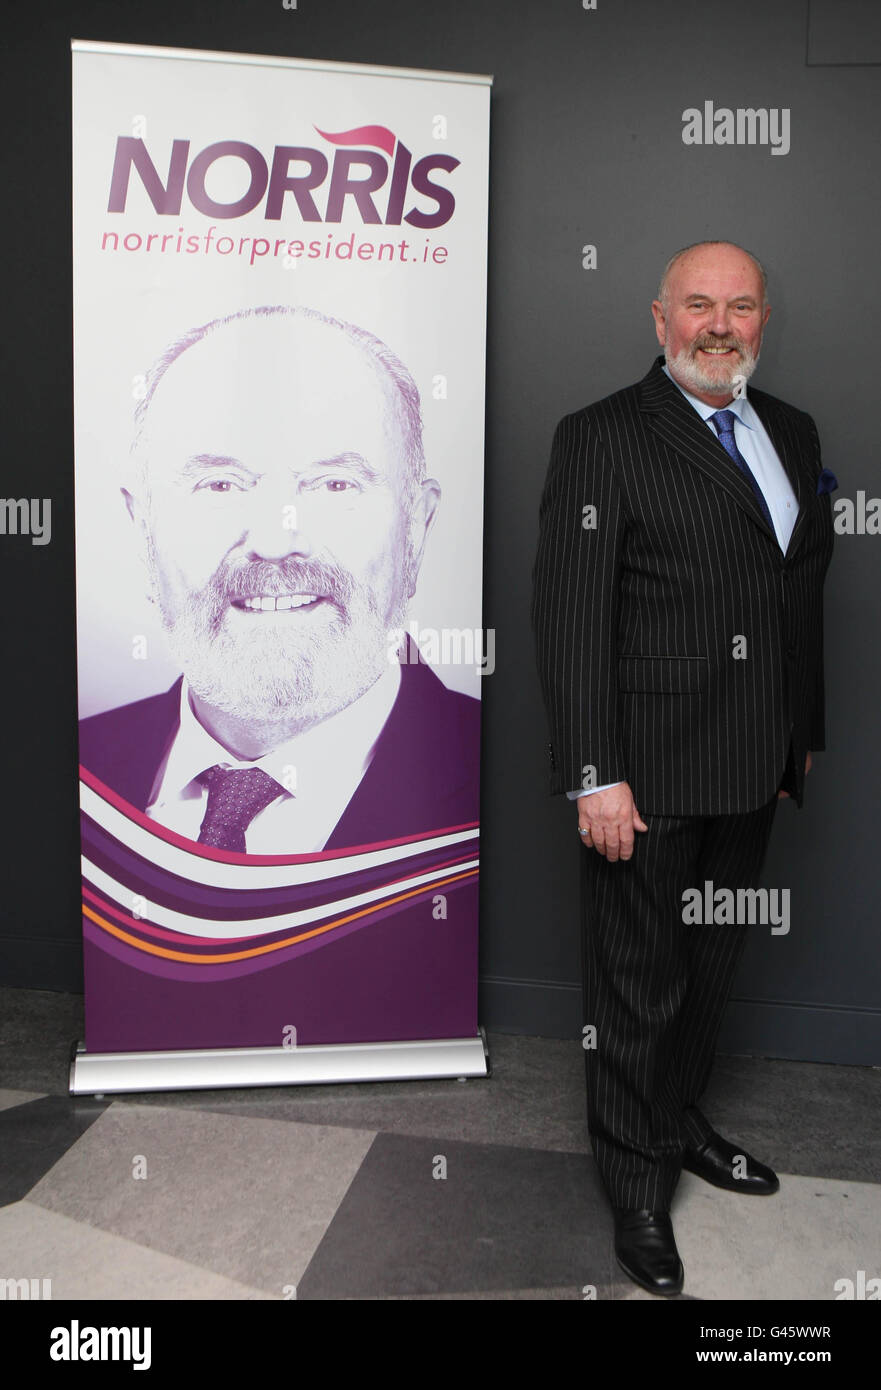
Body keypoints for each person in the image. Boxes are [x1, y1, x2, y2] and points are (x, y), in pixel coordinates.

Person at [531, 241, 836, 1296]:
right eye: (697, 305)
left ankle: (675, 1123)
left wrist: (801, 731)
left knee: (705, 974)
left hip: (752, 765)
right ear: (656, 320)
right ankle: (632, 1186)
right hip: (644, 778)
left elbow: (794, 593)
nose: (719, 324)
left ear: (761, 318)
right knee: (634, 988)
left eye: (739, 305)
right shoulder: (603, 437)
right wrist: (591, 772)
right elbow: (569, 620)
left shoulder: (788, 430)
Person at [79, 305, 480, 854]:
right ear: (141, 527)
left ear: (417, 526)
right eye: (219, 486)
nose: (274, 541)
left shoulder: (503, 772)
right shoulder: (75, 767)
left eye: (334, 485)